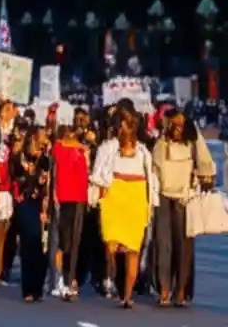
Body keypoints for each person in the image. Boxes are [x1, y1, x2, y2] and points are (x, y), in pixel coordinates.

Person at [91, 109, 157, 309]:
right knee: (111, 244)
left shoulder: (144, 152)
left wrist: (150, 204)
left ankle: (127, 295)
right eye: (123, 126)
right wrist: (101, 190)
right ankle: (111, 276)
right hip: (115, 195)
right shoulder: (108, 148)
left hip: (136, 197)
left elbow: (151, 181)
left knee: (133, 250)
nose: (125, 130)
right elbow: (97, 173)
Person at [151, 105, 215, 307]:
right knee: (163, 245)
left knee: (184, 246)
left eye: (180, 123)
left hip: (184, 198)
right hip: (163, 197)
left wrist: (204, 179)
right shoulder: (161, 142)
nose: (177, 128)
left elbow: (206, 163)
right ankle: (164, 288)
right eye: (173, 123)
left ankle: (182, 290)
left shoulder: (194, 140)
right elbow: (154, 167)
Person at [10, 125, 52, 303]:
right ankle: (28, 289)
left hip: (42, 204)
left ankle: (38, 288)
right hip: (25, 202)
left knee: (42, 249)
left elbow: (49, 179)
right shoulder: (20, 157)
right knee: (29, 245)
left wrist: (47, 206)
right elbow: (15, 176)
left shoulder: (44, 159)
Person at [50, 123, 89, 301]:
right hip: (63, 198)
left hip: (78, 198)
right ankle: (61, 278)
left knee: (74, 243)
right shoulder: (59, 149)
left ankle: (69, 279)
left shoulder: (81, 151)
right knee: (63, 243)